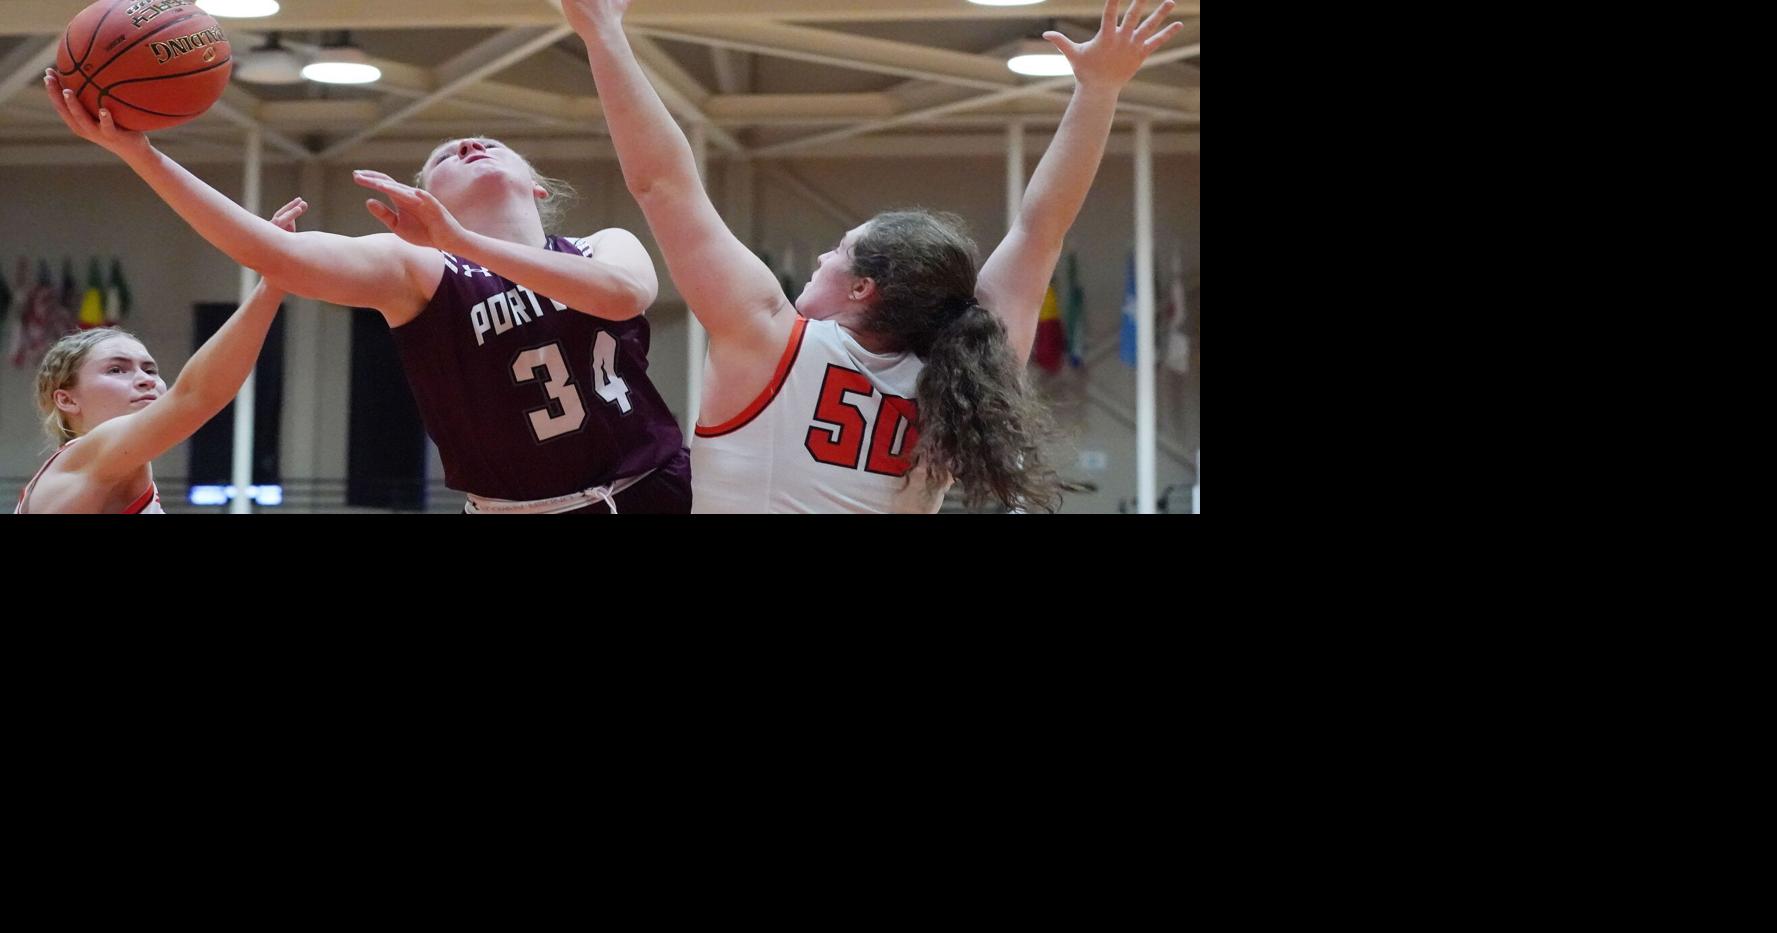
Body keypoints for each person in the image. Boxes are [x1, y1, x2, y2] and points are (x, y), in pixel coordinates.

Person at [563, 0, 1186, 512]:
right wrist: (1099, 91)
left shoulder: (769, 339)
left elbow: (663, 184)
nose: (820, 259)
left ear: (863, 287)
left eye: (839, 250)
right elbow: (1040, 230)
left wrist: (602, 33)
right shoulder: (964, 369)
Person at [46, 70, 690, 514]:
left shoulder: (601, 244)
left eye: (490, 144)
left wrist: (462, 239)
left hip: (654, 491)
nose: (469, 144)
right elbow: (272, 254)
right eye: (445, 155)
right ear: (427, 200)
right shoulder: (415, 268)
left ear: (536, 186)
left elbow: (621, 295)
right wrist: (143, 154)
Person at [17, 198, 306, 513]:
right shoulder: (87, 455)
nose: (145, 380)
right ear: (67, 400)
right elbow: (197, 395)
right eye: (116, 370)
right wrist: (272, 284)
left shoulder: (118, 470)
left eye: (151, 370)